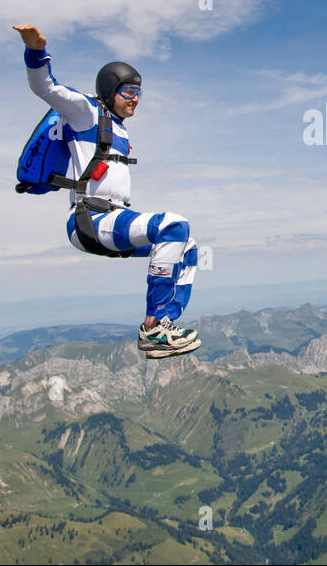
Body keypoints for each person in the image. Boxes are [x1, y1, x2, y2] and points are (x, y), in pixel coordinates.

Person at [13, 24, 201, 358]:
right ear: (110, 89)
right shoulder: (86, 112)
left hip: (114, 217)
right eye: (128, 91)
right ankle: (153, 326)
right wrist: (36, 50)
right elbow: (45, 86)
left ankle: (165, 324)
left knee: (187, 246)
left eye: (138, 92)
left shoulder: (119, 129)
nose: (135, 98)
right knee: (174, 225)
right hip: (91, 221)